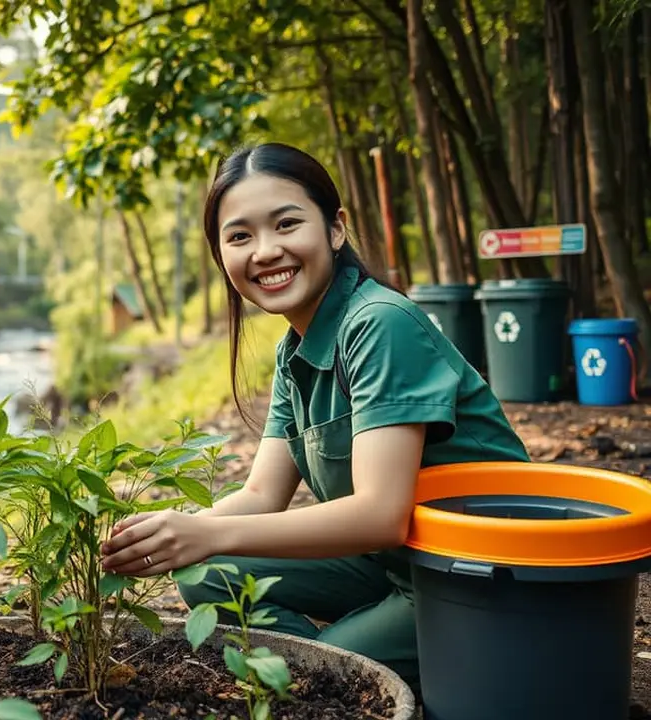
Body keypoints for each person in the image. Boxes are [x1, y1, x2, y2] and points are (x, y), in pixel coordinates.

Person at [98, 142, 529, 691]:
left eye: (286, 224)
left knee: (324, 672)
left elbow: (381, 514)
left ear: (335, 229)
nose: (265, 251)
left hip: (476, 575)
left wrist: (207, 534)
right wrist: (168, 534)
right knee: (208, 576)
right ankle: (372, 646)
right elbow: (260, 497)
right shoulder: (295, 350)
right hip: (393, 564)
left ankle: (382, 658)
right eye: (239, 236)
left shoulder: (379, 323)